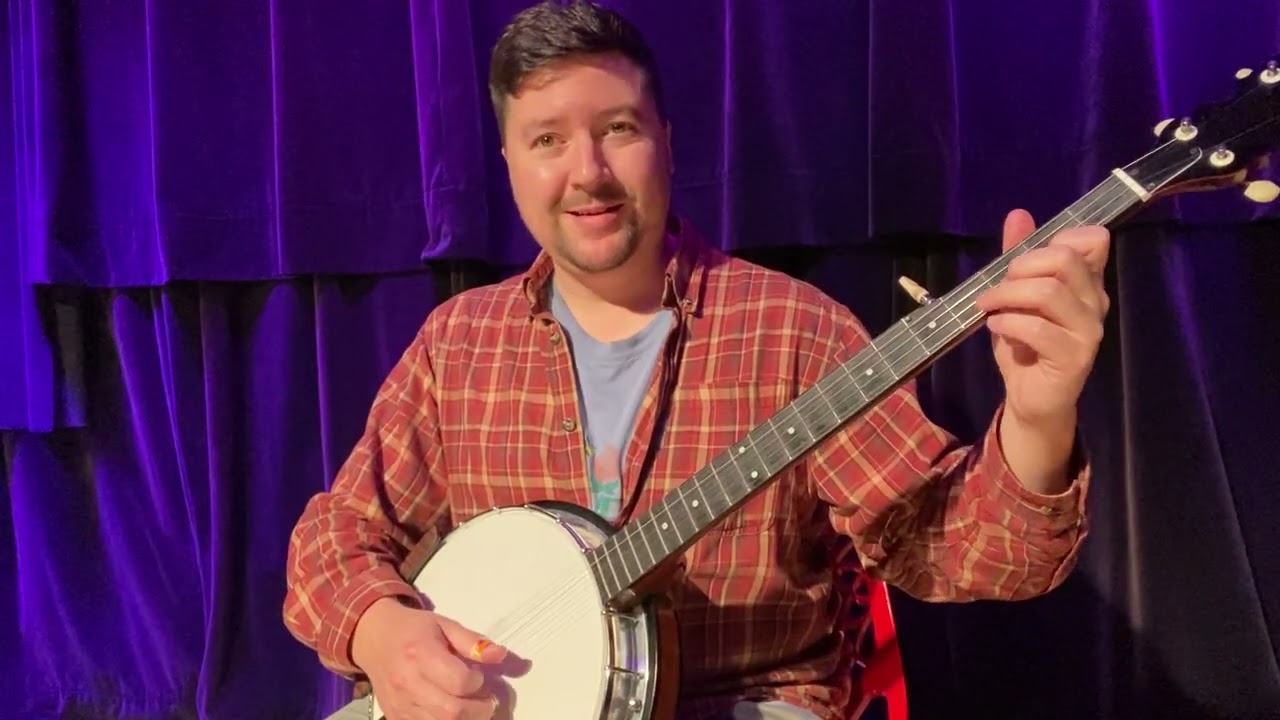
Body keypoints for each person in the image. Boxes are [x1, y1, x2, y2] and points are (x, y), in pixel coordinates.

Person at [282, 2, 1110, 719]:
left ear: (666, 143)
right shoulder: (460, 342)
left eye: (618, 129)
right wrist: (381, 632)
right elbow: (333, 538)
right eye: (547, 140)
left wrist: (1038, 416)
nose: (588, 173)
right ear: (509, 165)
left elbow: (961, 552)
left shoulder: (795, 331)